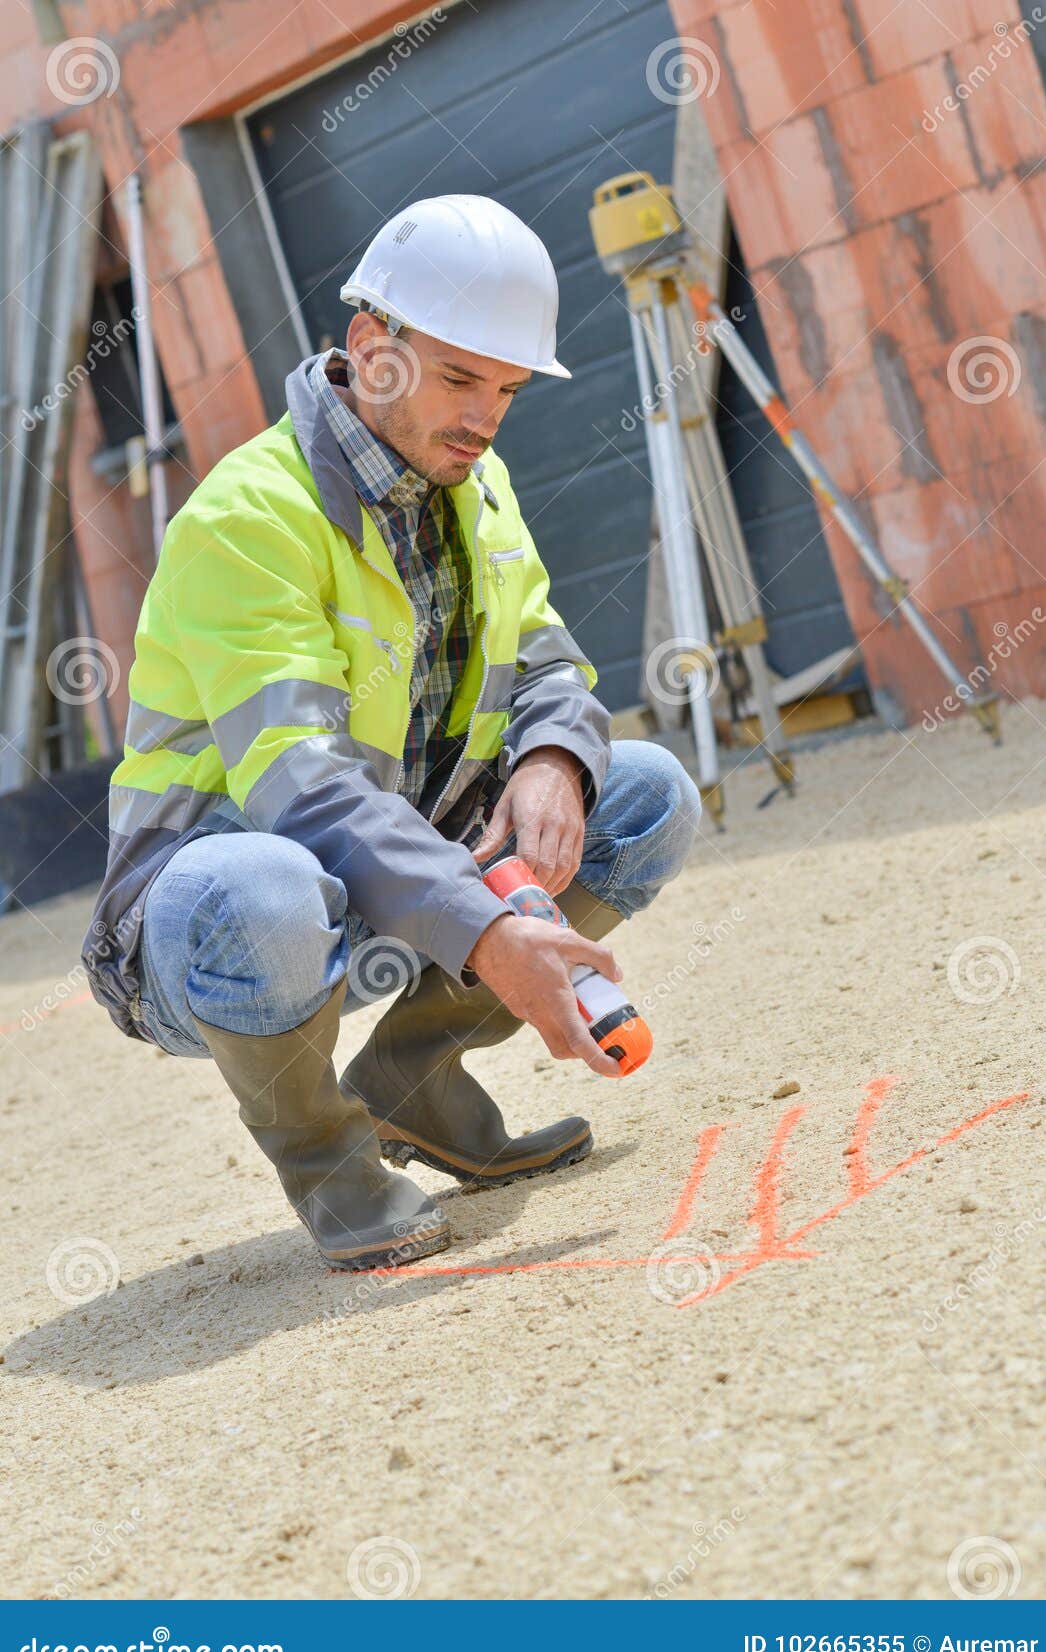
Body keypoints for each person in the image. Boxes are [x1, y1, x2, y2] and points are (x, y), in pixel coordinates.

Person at [81, 193, 703, 1272]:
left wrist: (556, 758)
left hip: (398, 881)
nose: (486, 416)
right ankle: (332, 1164)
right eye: (462, 378)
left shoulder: (478, 485)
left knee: (644, 791)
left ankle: (417, 1085)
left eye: (506, 389)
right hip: (217, 924)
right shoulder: (246, 518)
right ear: (373, 349)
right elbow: (298, 785)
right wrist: (486, 929)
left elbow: (550, 659)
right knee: (259, 884)